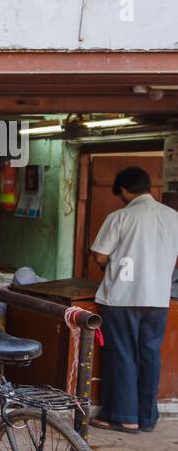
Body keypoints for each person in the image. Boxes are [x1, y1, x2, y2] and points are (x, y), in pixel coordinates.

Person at [89, 167, 178, 433]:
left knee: (122, 356)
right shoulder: (173, 217)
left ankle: (122, 417)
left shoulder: (120, 217)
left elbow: (100, 256)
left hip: (122, 298)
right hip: (158, 300)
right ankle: (146, 418)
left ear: (126, 190)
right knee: (149, 356)